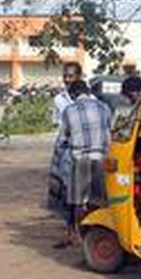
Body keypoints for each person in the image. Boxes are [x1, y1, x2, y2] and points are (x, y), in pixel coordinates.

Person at [58, 79, 112, 245]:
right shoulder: (104, 107)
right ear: (88, 92)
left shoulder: (69, 110)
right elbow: (110, 129)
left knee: (77, 200)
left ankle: (76, 234)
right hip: (101, 158)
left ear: (73, 95)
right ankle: (101, 232)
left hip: (80, 158)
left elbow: (64, 137)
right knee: (100, 199)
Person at [52, 63, 82, 127]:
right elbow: (55, 121)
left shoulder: (90, 99)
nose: (67, 79)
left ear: (79, 77)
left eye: (70, 76)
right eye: (64, 76)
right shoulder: (58, 99)